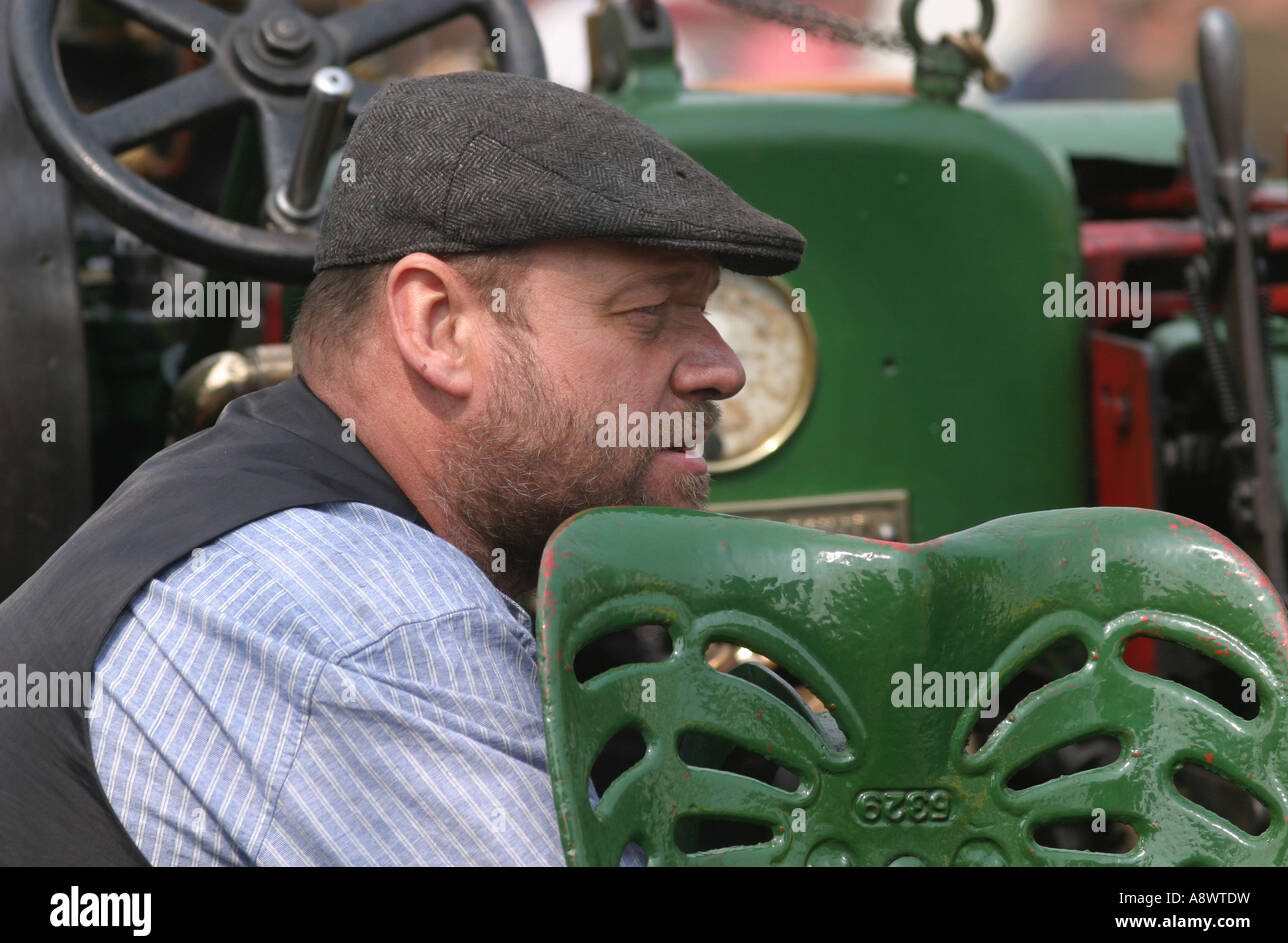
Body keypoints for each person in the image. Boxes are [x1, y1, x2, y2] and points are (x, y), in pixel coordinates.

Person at [0, 70, 805, 865]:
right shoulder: (359, 621)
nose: (724, 369)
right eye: (649, 314)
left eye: (707, 311)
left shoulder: (254, 501)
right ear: (439, 325)